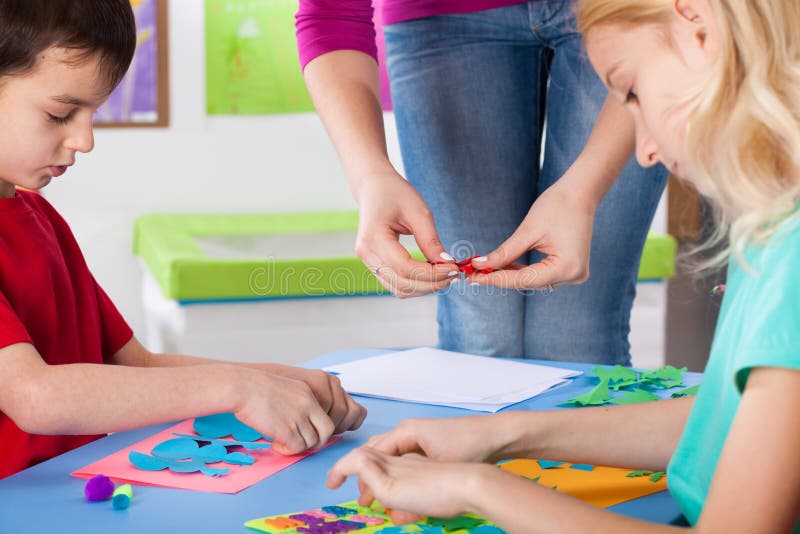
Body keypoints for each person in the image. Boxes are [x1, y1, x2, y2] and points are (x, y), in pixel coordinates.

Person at [326, 0, 800, 531]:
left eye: (633, 92)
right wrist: (501, 435)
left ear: (699, 25)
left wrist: (476, 487)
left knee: (573, 331)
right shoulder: (774, 227)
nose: (644, 151)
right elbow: (723, 421)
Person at [0, 0, 365, 480]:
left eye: (92, 112)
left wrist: (276, 380)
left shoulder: (41, 219)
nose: (85, 140)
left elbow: (133, 366)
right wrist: (239, 389)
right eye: (61, 113)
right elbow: (34, 396)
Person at [296, 0, 668, 364]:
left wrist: (583, 192)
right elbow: (331, 11)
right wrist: (370, 176)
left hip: (627, 11)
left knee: (574, 336)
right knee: (481, 336)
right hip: (443, 19)